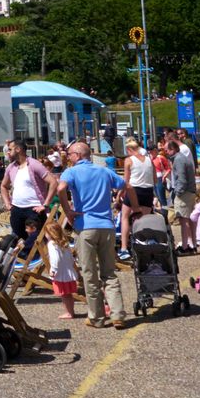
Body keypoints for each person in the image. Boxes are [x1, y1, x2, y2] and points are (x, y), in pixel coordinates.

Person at [58, 140, 137, 330]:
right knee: (109, 271)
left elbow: (60, 188)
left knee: (90, 273)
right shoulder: (104, 170)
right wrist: (132, 206)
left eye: (69, 155)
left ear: (77, 155)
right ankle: (118, 314)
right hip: (106, 226)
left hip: (85, 226)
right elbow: (126, 185)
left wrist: (67, 210)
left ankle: (97, 316)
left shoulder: (72, 172)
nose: (68, 158)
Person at [0, 141, 56, 258]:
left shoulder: (34, 164)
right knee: (19, 233)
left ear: (18, 149)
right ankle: (29, 258)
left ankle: (28, 259)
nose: (8, 152)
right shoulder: (11, 167)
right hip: (17, 208)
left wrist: (45, 205)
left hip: (34, 208)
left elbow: (53, 182)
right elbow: (3, 186)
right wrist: (7, 203)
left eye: (10, 149)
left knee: (35, 236)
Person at [121, 140, 157, 256]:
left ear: (129, 149)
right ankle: (142, 246)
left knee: (125, 217)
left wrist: (119, 194)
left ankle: (124, 248)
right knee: (143, 220)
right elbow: (155, 180)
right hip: (148, 191)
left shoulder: (129, 160)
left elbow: (125, 181)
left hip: (134, 190)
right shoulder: (149, 160)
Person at [165, 140, 198, 253]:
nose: (166, 152)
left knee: (184, 220)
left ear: (172, 149)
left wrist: (177, 193)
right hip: (190, 191)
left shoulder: (178, 160)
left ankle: (186, 246)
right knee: (189, 219)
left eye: (167, 150)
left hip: (184, 193)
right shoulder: (183, 158)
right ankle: (192, 244)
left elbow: (182, 179)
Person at [42, 218, 78, 320]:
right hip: (68, 272)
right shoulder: (63, 243)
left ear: (50, 233)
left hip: (61, 274)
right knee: (69, 295)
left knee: (64, 295)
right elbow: (71, 258)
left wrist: (53, 270)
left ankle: (68, 313)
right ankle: (71, 311)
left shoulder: (51, 244)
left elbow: (55, 259)